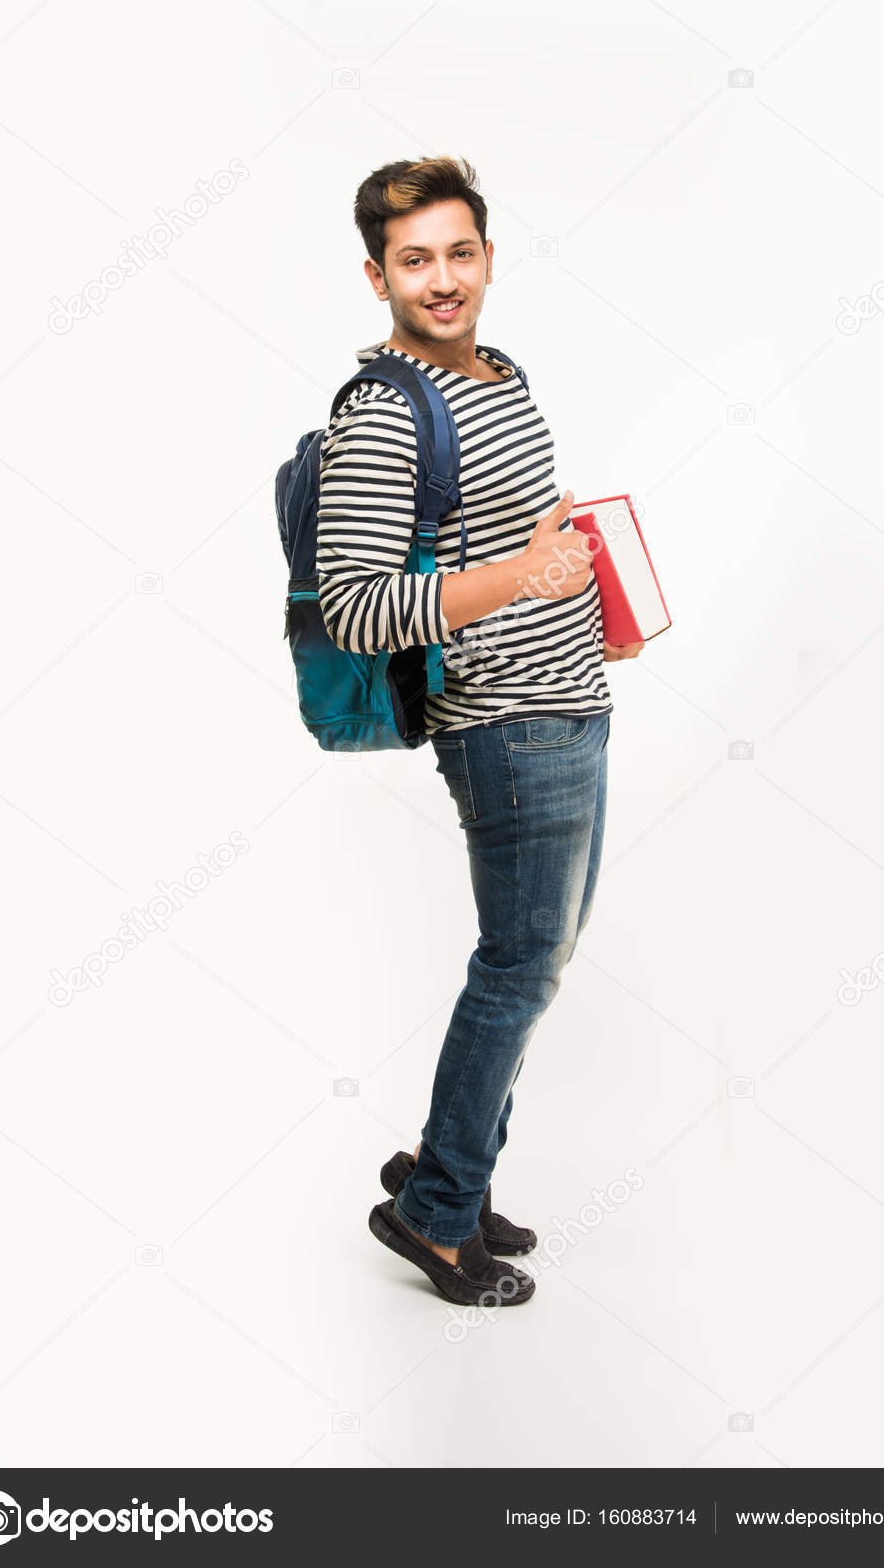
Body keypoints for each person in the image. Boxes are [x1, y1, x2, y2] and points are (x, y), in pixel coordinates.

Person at [316, 155, 644, 1309]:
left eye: (460, 253)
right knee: (516, 970)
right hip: (503, 729)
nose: (442, 278)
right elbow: (355, 605)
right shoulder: (385, 415)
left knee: (532, 966)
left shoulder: (501, 373)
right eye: (415, 260)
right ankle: (439, 1214)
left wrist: (590, 601)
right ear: (378, 275)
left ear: (490, 258)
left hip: (571, 701)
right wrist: (521, 576)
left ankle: (452, 1163)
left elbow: (521, 538)